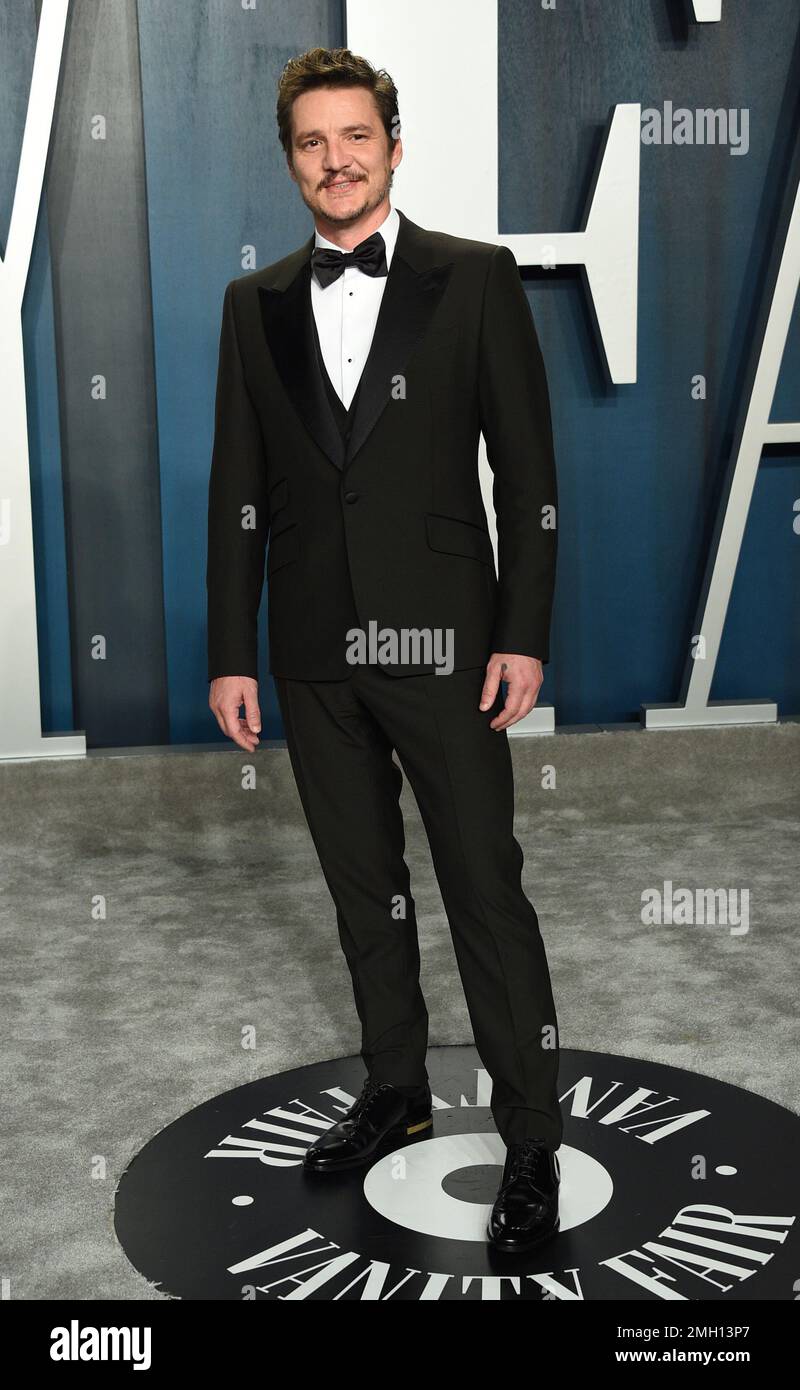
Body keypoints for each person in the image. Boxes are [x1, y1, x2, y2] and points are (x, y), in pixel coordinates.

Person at [207, 45, 561, 1253]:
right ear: (290, 161)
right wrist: (231, 650)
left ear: (393, 146)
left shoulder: (474, 280)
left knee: (481, 889)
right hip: (312, 649)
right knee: (367, 893)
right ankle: (396, 1091)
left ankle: (527, 1141)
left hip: (448, 647)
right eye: (311, 142)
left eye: (355, 136)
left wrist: (521, 634)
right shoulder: (251, 305)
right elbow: (236, 490)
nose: (335, 159)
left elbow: (528, 477)